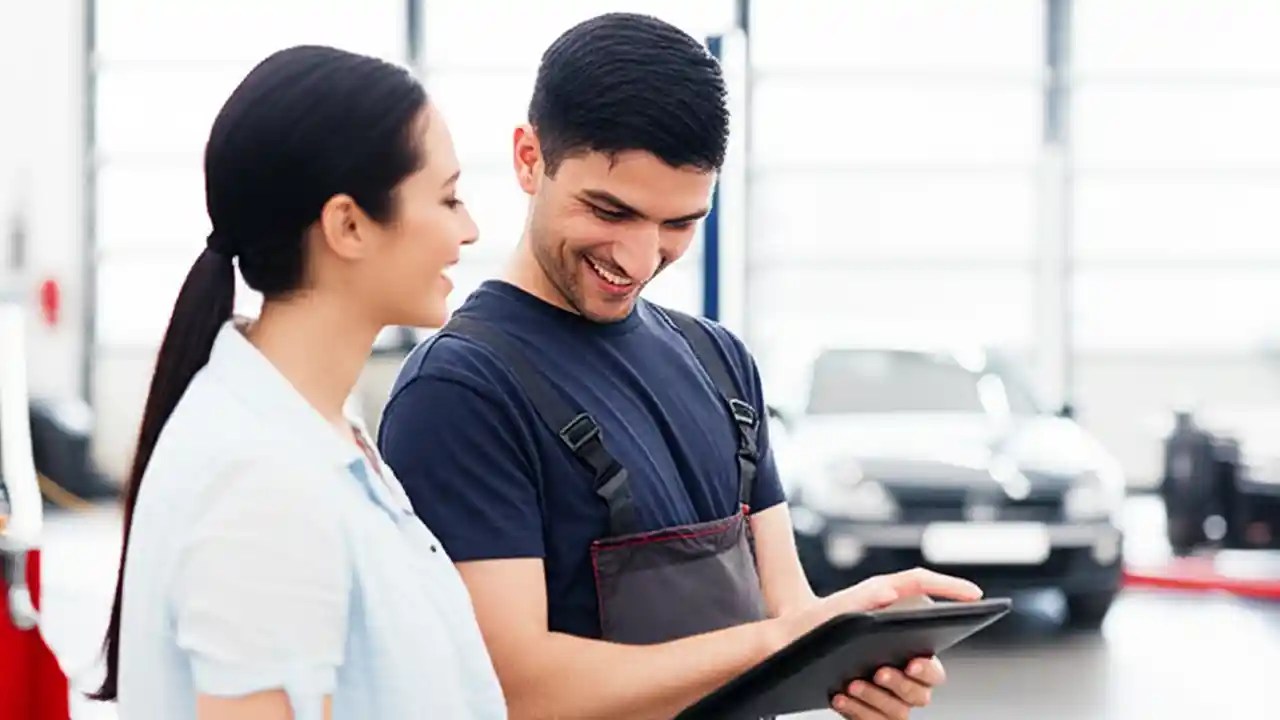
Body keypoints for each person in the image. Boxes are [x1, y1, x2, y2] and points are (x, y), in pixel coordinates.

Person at [378, 13, 982, 720]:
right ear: (528, 158)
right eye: (610, 210)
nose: (637, 260)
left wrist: (845, 659)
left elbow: (786, 608)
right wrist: (787, 639)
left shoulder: (721, 364)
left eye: (677, 224)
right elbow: (518, 688)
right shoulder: (459, 393)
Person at [92, 45, 506, 720]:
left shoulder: (310, 432)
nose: (468, 229)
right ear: (347, 225)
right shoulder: (262, 481)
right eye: (448, 197)